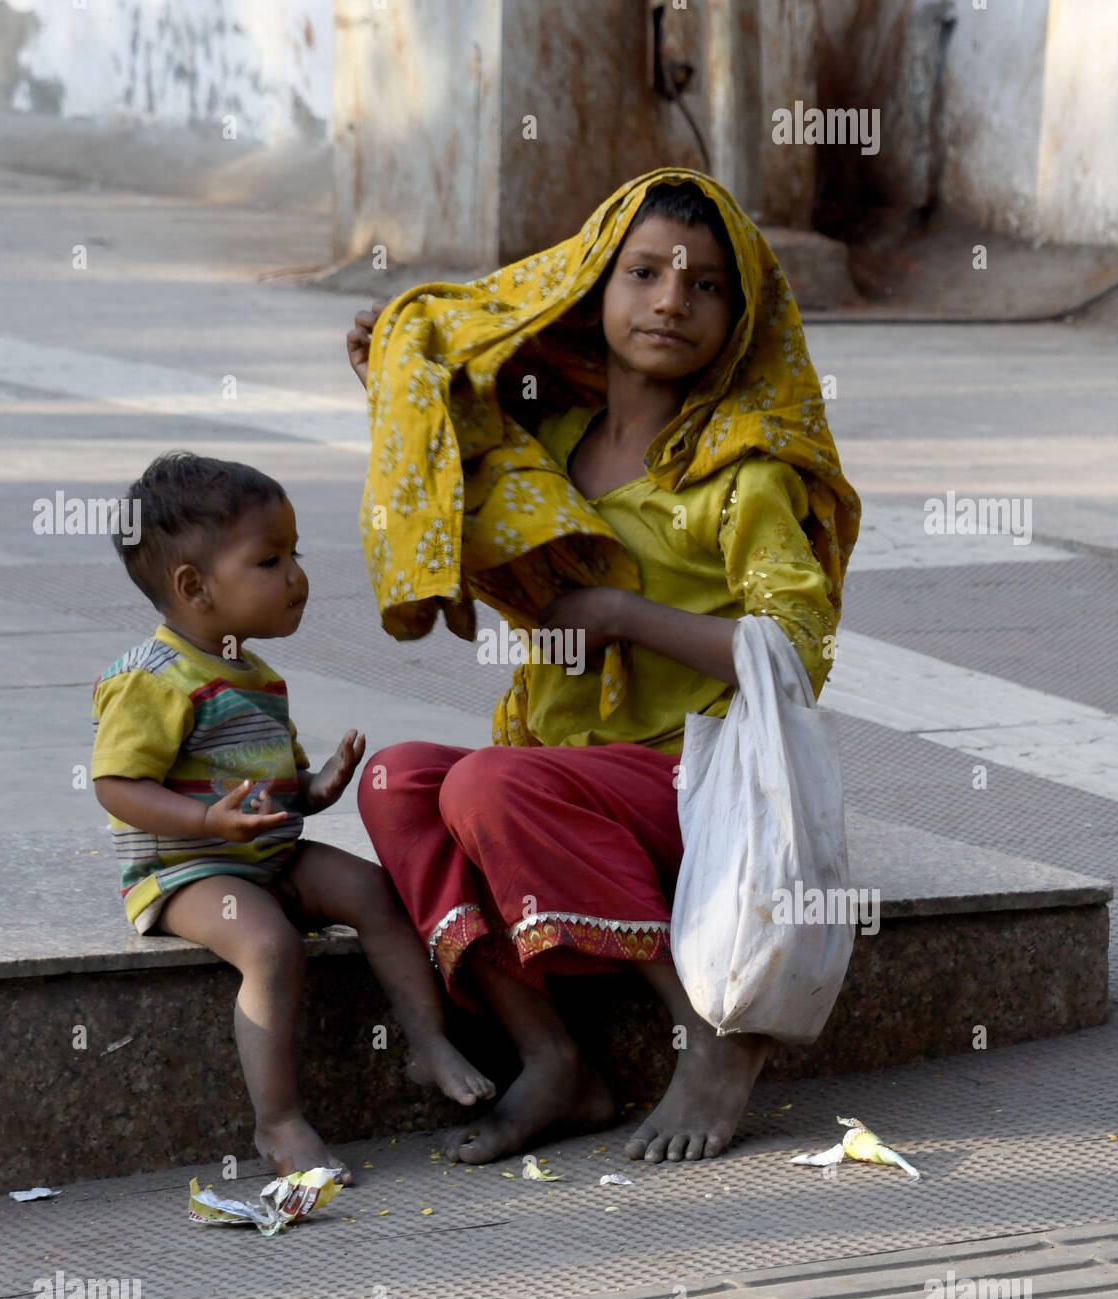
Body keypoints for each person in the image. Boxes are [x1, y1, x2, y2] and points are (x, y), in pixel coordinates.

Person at [346, 168, 861, 1166]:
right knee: (397, 779)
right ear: (593, 284)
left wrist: (626, 614)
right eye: (644, 272)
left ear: (741, 314)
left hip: (693, 786)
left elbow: (796, 648)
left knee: (489, 782)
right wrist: (392, 376)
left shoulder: (738, 470)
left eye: (706, 284)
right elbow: (456, 459)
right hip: (559, 783)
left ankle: (709, 1030)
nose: (671, 299)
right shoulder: (558, 438)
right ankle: (553, 1059)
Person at [90, 451, 494, 1186]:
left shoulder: (253, 672)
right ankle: (278, 1123)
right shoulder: (149, 678)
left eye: (295, 553)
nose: (297, 577)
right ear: (193, 587)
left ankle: (425, 1041)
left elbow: (271, 787)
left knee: (377, 893)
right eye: (271, 560)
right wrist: (206, 822)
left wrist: (312, 789)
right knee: (270, 946)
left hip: (268, 855)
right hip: (184, 869)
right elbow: (116, 785)